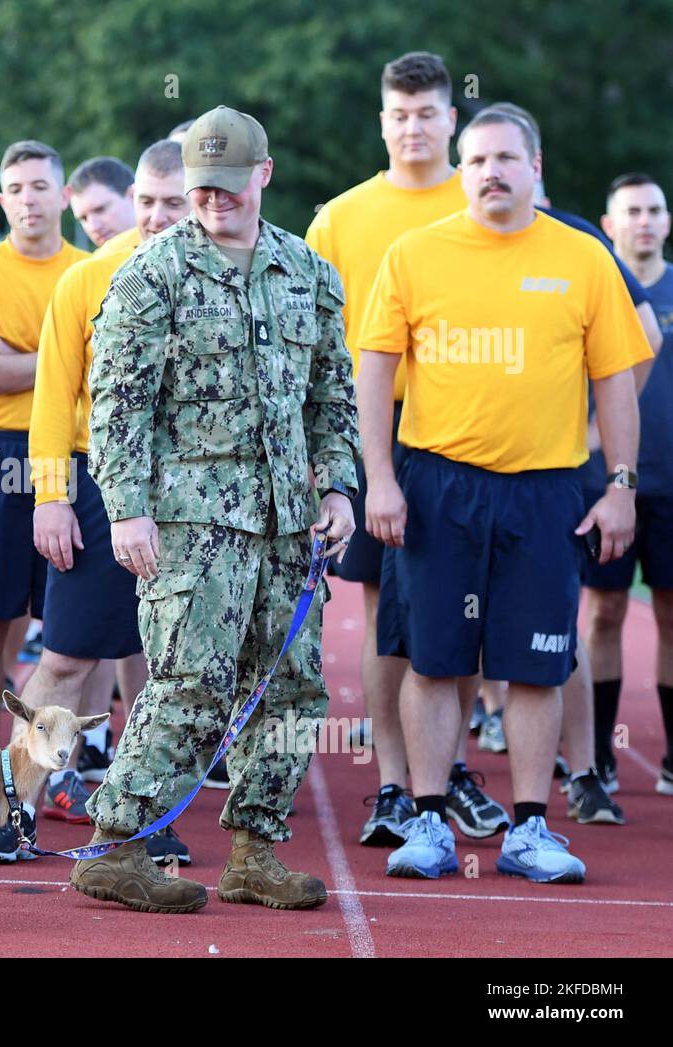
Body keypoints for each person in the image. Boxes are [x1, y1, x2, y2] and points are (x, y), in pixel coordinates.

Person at [71, 107, 358, 914]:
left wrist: (338, 486)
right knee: (190, 682)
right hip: (191, 524)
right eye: (199, 188)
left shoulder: (309, 272)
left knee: (295, 692)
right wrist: (126, 511)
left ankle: (254, 852)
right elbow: (117, 407)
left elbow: (332, 395)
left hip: (287, 520)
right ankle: (117, 844)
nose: (214, 201)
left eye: (229, 187)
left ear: (263, 174)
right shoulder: (150, 274)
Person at [357, 106, 649, 884]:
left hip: (547, 489)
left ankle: (528, 829)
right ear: (462, 168)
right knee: (432, 659)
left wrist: (619, 485)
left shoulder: (584, 258)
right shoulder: (415, 253)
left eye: (506, 158)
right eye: (477, 159)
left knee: (536, 664)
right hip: (437, 485)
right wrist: (379, 478)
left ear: (535, 164)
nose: (491, 172)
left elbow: (616, 381)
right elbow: (375, 369)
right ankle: (426, 821)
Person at [0, 139, 192, 866]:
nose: (158, 217)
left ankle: (145, 811)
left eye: (175, 202)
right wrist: (51, 498)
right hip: (102, 487)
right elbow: (51, 400)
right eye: (149, 201)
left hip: (199, 496)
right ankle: (12, 809)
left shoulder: (238, 275)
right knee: (64, 658)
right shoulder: (91, 277)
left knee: (171, 665)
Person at [305, 51, 507, 846]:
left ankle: (445, 768)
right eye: (400, 114)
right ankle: (394, 783)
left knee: (465, 622)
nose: (415, 127)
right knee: (388, 620)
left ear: (452, 120)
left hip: (471, 443)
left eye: (428, 113)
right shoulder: (343, 216)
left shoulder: (492, 200)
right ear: (383, 121)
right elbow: (317, 340)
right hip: (374, 440)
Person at [0, 139, 88, 739]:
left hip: (76, 455)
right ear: (2, 200)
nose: (28, 200)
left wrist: (21, 357)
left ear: (64, 195)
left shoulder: (90, 270)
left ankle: (63, 759)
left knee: (74, 623)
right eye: (16, 189)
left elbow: (111, 366)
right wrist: (66, 358)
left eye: (40, 186)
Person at [592, 172, 673, 798]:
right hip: (608, 482)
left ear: (667, 221)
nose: (644, 221)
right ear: (610, 224)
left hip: (671, 483)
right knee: (605, 612)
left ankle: (670, 756)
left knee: (669, 615)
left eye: (654, 210)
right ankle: (598, 757)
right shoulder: (598, 283)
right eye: (631, 212)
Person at [67, 156, 135, 251]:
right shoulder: (86, 265)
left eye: (100, 210)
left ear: (133, 196)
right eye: (84, 218)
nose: (94, 227)